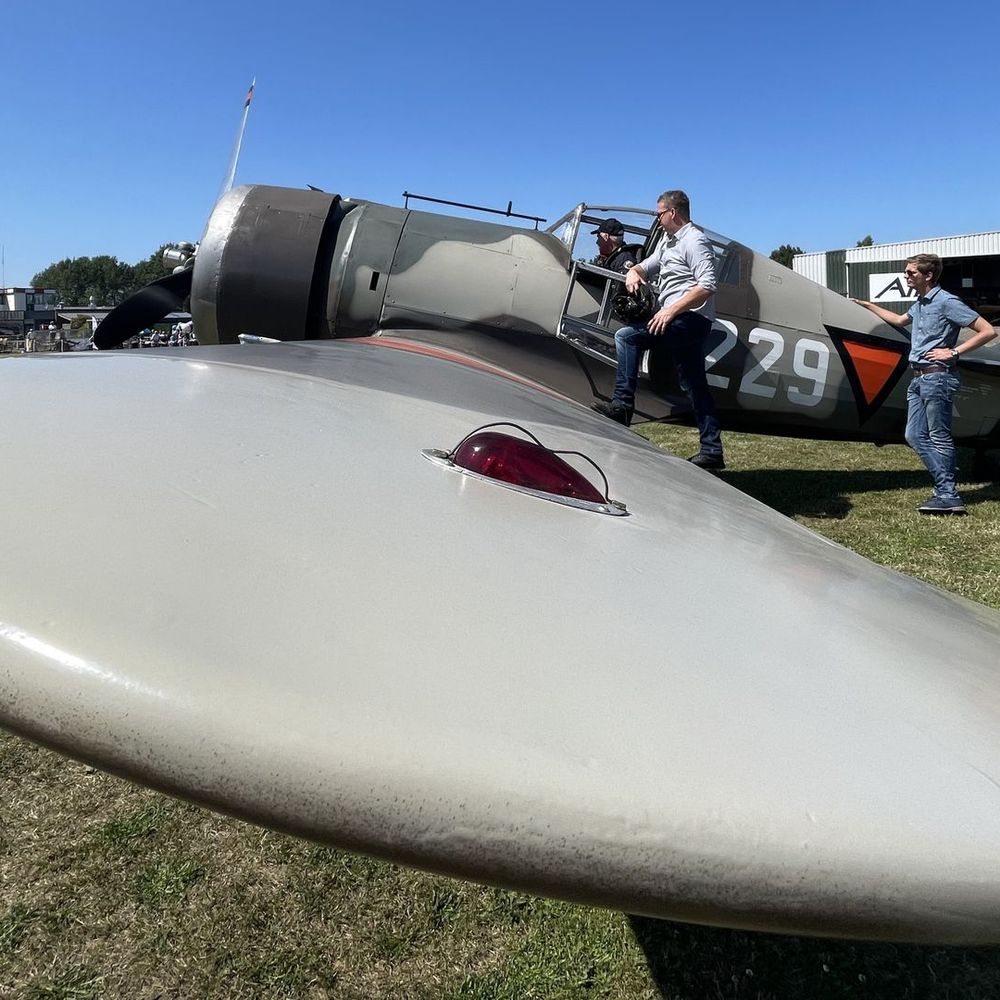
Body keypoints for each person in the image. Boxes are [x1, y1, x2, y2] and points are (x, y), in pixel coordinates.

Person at [852, 253, 997, 515]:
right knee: (913, 435)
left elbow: (988, 330)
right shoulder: (920, 303)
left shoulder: (947, 302)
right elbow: (898, 320)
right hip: (919, 378)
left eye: (911, 272)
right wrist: (866, 305)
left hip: (937, 376)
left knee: (939, 436)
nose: (906, 276)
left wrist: (953, 353)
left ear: (928, 275)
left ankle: (948, 494)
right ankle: (946, 489)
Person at [592, 190, 724, 470]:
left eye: (659, 214)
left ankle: (622, 406)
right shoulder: (668, 241)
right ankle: (712, 451)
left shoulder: (695, 241)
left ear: (672, 213)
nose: (658, 218)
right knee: (695, 385)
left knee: (626, 337)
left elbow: (708, 285)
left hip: (690, 319)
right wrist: (634, 271)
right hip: (680, 319)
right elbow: (649, 265)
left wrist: (670, 310)